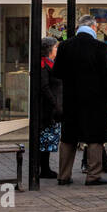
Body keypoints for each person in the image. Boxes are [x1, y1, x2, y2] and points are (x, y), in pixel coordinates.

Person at [51, 15, 107, 186]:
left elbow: (57, 72)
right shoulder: (100, 47)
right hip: (95, 101)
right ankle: (93, 175)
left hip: (71, 99)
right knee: (95, 138)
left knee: (68, 138)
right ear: (93, 27)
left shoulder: (65, 46)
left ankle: (63, 175)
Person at [37, 37, 63, 179]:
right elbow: (44, 87)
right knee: (44, 140)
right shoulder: (43, 65)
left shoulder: (52, 64)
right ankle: (44, 169)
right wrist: (55, 103)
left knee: (47, 140)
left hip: (53, 108)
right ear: (49, 49)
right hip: (47, 109)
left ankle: (45, 168)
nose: (57, 50)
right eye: (55, 47)